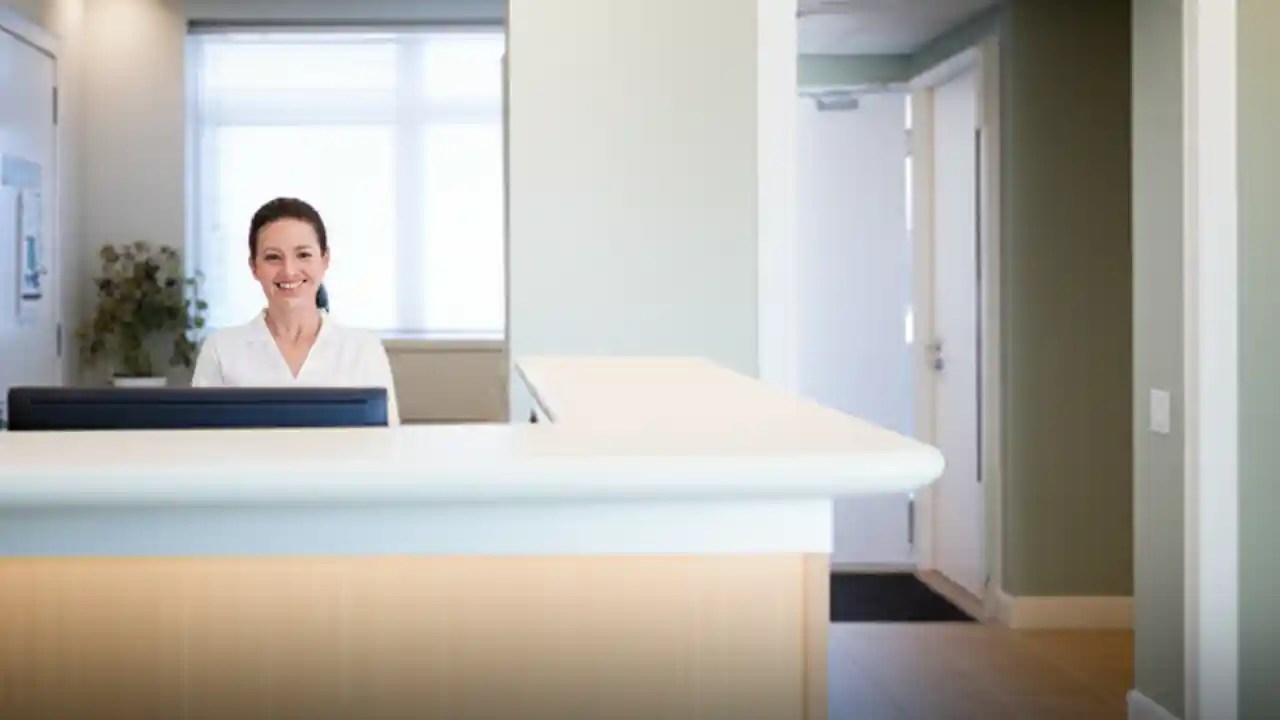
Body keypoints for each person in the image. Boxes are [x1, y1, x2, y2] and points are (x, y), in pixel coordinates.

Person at [191, 197, 401, 426]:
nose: (289, 271)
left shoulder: (363, 349)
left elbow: (387, 444)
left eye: (303, 255)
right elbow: (201, 446)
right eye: (273, 257)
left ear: (325, 260)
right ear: (254, 267)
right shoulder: (221, 350)